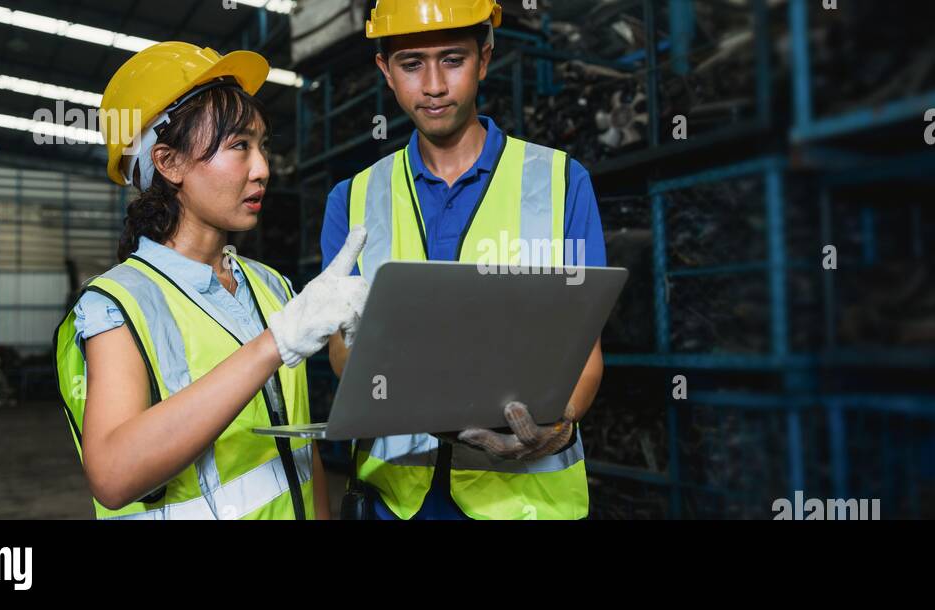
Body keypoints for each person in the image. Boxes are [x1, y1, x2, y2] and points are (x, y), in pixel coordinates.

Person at [54, 41, 369, 519]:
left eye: (263, 146)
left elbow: (301, 457)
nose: (262, 168)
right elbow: (113, 476)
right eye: (239, 146)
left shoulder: (271, 287)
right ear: (170, 162)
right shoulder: (116, 307)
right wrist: (272, 345)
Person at [320, 0, 608, 520]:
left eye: (452, 59)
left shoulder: (561, 183)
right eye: (411, 64)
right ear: (385, 71)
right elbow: (342, 348)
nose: (433, 85)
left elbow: (584, 353)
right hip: (396, 502)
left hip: (522, 504)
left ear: (485, 58)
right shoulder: (354, 198)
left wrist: (557, 425)